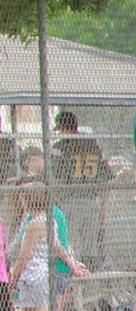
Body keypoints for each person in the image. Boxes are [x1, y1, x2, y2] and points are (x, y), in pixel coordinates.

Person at [11, 178, 88, 311]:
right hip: (38, 275)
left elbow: (23, 255)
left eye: (23, 198)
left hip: (34, 276)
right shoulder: (47, 219)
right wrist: (72, 265)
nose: (20, 202)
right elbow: (58, 246)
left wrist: (13, 279)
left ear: (30, 199)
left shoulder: (36, 223)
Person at [51, 110, 110, 266]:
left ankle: (71, 281)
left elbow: (56, 179)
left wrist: (56, 200)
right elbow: (106, 178)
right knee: (89, 246)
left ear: (63, 128)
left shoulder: (61, 147)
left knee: (68, 242)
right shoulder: (93, 146)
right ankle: (89, 280)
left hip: (71, 200)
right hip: (91, 201)